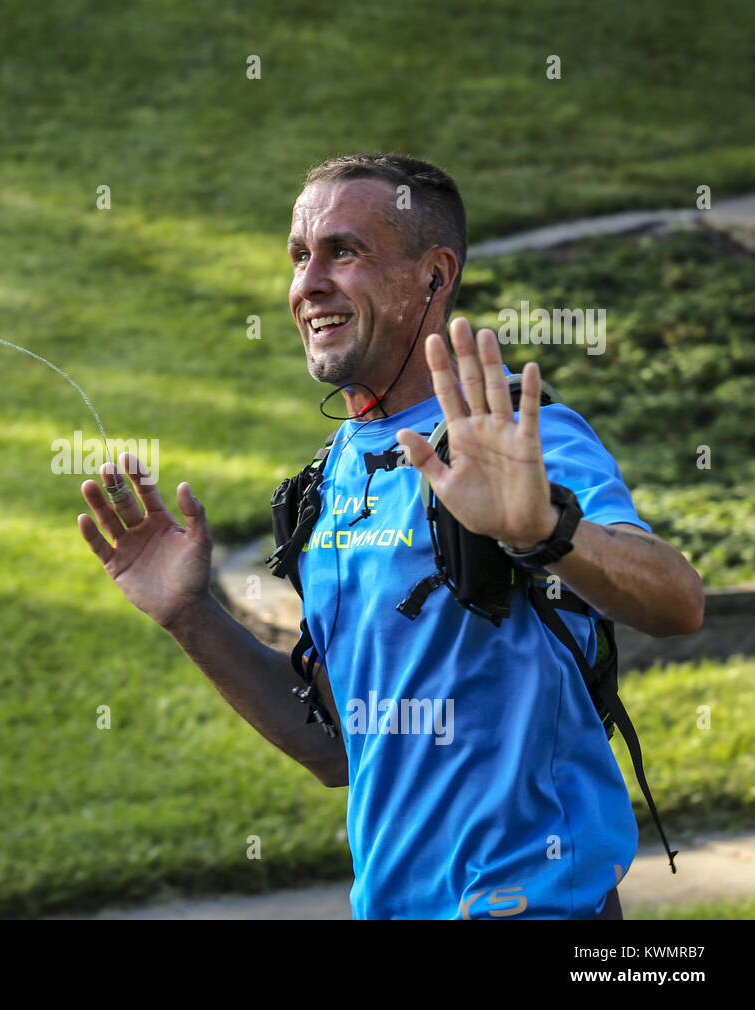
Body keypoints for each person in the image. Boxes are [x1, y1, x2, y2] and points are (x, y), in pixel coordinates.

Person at [75, 153, 704, 920]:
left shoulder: (504, 437)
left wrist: (545, 530)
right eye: (300, 256)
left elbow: (678, 602)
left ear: (433, 277)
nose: (308, 284)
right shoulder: (330, 480)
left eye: (344, 251)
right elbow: (336, 748)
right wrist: (189, 614)